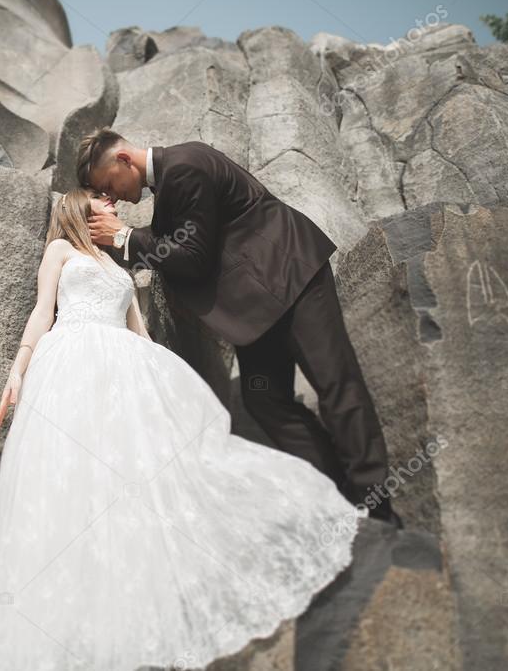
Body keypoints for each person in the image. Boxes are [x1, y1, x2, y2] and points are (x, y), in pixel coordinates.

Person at [0, 188, 361, 671]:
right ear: (79, 209)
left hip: (125, 366)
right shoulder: (60, 250)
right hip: (71, 361)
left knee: (140, 478)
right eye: (102, 201)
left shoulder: (118, 267)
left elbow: (139, 331)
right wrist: (19, 369)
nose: (112, 205)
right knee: (73, 480)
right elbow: (43, 311)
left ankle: (140, 614)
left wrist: (166, 379)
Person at [76, 127, 402, 528]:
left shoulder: (185, 166)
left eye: (110, 184)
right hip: (259, 304)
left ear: (124, 160)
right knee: (265, 399)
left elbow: (193, 257)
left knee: (336, 384)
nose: (118, 196)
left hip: (292, 278)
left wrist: (125, 236)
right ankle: (338, 496)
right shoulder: (174, 175)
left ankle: (376, 504)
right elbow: (178, 245)